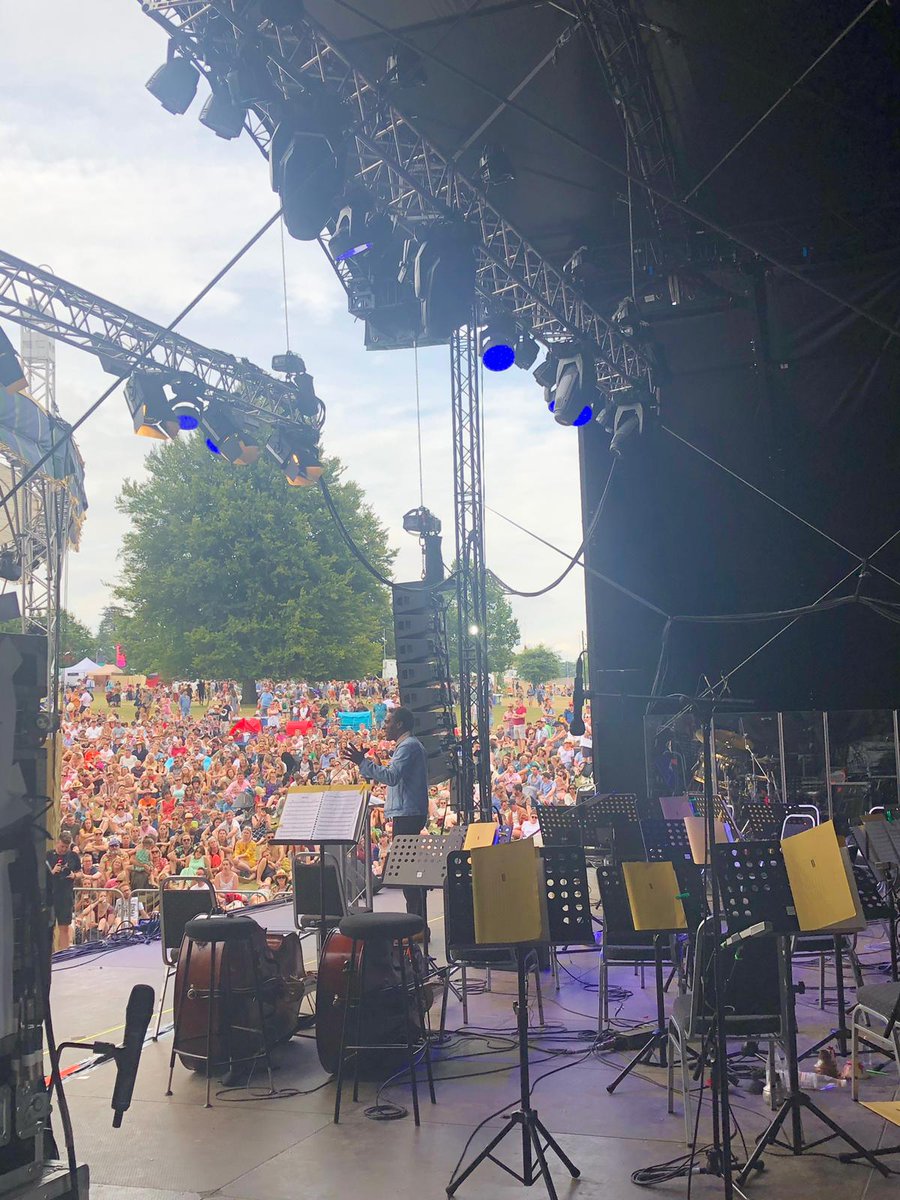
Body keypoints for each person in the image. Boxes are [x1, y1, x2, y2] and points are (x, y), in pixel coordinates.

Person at [346, 706, 428, 919]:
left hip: (408, 814)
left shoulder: (408, 746)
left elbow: (392, 777)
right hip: (408, 812)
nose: (384, 726)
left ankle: (416, 922)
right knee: (409, 871)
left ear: (399, 724)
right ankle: (417, 921)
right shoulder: (407, 746)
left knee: (409, 872)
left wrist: (362, 763)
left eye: (388, 722)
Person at [47, 832, 81, 951]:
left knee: (64, 927)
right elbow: (42, 876)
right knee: (48, 928)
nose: (63, 849)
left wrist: (74, 875)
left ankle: (63, 953)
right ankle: (49, 953)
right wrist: (52, 871)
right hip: (51, 895)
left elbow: (80, 873)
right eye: (62, 846)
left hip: (66, 895)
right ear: (57, 842)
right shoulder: (48, 855)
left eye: (66, 847)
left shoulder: (73, 856)